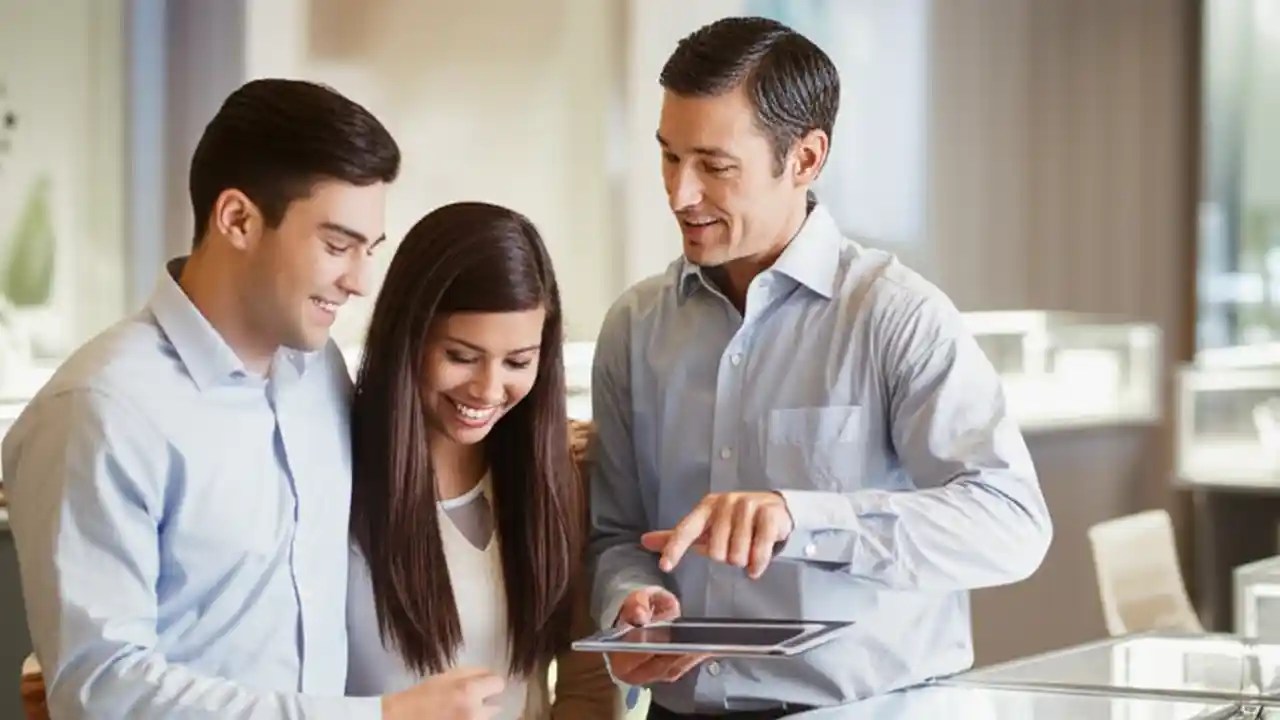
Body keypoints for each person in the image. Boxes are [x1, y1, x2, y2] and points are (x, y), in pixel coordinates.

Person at [588, 16, 1053, 718]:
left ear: (804, 159)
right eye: (669, 157)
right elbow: (616, 534)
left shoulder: (896, 317)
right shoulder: (634, 326)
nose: (680, 193)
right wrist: (629, 600)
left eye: (714, 166)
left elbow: (1011, 524)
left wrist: (801, 517)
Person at [3, 79, 493, 719]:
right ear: (237, 219)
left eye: (367, 251)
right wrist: (380, 717)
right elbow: (103, 691)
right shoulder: (99, 410)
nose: (359, 281)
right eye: (337, 246)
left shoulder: (318, 374)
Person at [346, 201, 622, 720]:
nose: (489, 390)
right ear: (408, 336)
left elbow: (588, 684)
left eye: (518, 361)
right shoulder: (332, 471)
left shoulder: (562, 476)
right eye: (461, 356)